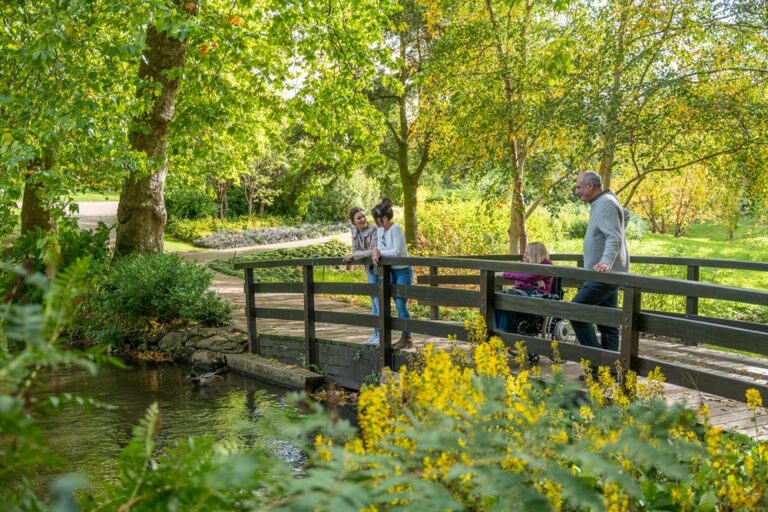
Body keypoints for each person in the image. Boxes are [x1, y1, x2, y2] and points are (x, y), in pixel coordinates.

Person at [571, 170, 630, 351]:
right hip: (607, 274)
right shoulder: (607, 201)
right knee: (607, 324)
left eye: (579, 187)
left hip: (603, 275)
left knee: (575, 312)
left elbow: (613, 237)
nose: (577, 191)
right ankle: (608, 370)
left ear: (590, 185)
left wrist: (606, 261)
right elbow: (625, 215)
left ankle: (596, 363)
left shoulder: (605, 203)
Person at [371, 198, 413, 350]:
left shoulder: (396, 229)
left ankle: (407, 338)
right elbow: (380, 246)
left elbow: (397, 251)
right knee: (384, 301)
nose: (376, 222)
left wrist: (379, 251)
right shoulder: (380, 229)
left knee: (401, 305)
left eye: (378, 219)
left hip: (402, 270)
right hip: (390, 270)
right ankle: (387, 337)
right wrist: (376, 250)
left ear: (384, 218)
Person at [494, 242, 554, 332]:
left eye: (527, 253)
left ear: (534, 254)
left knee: (510, 299)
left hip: (538, 294)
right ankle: (496, 331)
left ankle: (506, 332)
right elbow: (519, 281)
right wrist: (532, 282)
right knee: (496, 296)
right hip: (522, 291)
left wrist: (503, 274)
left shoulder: (546, 264)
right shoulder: (527, 264)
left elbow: (529, 277)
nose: (524, 255)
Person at [343, 207, 380, 345]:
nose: (363, 219)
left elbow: (373, 251)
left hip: (379, 268)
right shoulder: (354, 231)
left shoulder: (374, 229)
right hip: (369, 269)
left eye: (364, 216)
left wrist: (356, 255)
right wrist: (355, 255)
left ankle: (381, 335)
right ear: (353, 221)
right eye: (359, 218)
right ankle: (376, 334)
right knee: (374, 302)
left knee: (378, 301)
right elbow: (356, 251)